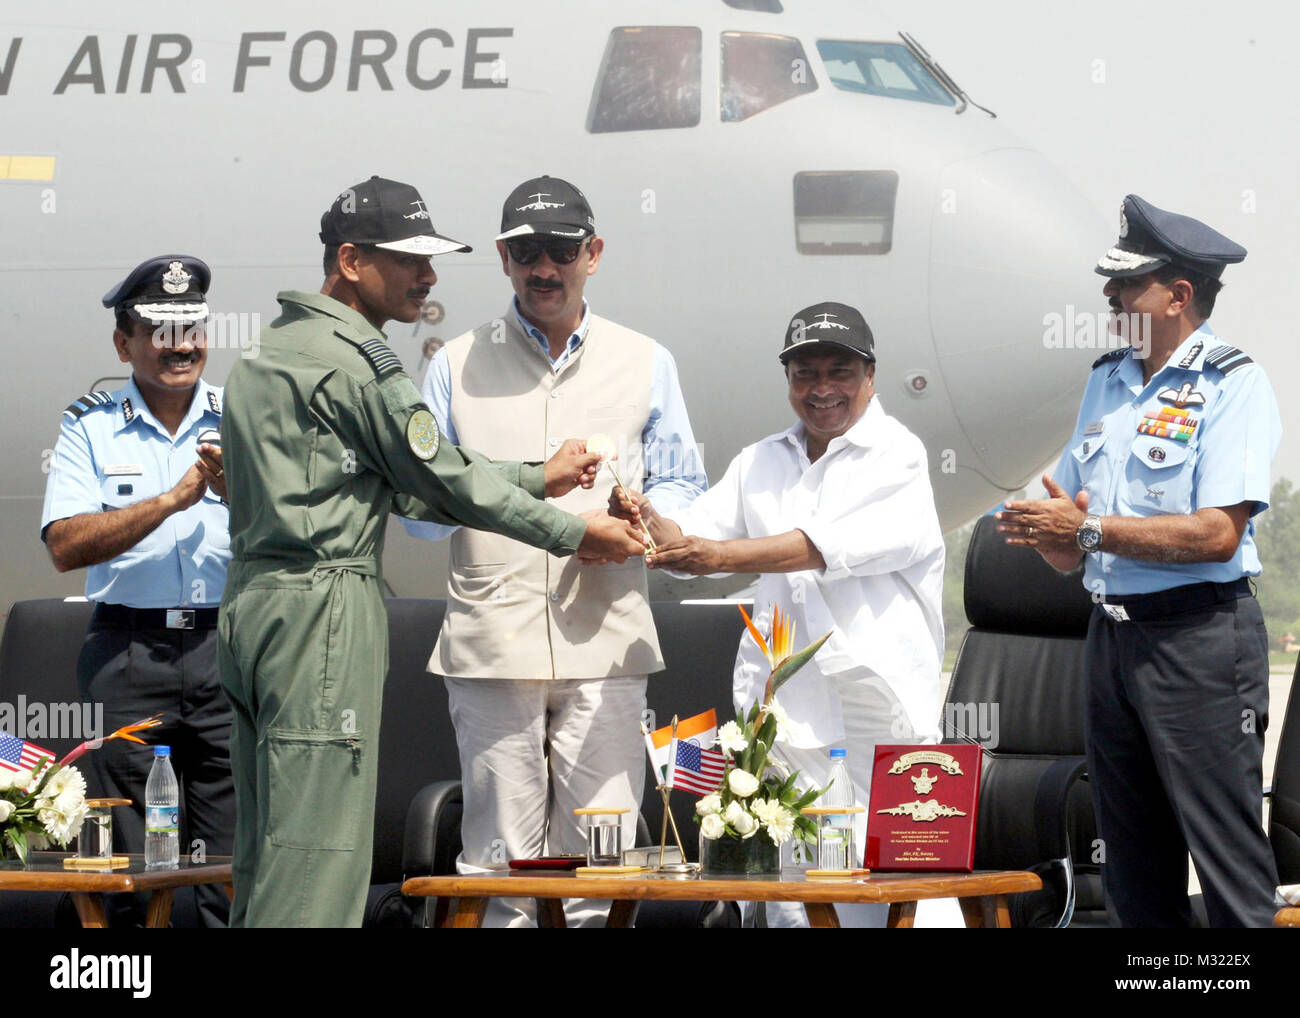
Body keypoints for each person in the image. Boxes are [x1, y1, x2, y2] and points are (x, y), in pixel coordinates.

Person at [217, 176, 646, 928]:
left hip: (252, 607)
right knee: (318, 856)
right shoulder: (358, 365)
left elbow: (405, 489)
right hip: (323, 612)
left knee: (265, 852)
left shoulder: (268, 352)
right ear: (351, 261)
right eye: (409, 260)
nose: (428, 277)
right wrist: (575, 531)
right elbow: (441, 480)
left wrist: (535, 477)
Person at [401, 174, 706, 927]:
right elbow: (419, 514)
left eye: (561, 251)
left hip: (607, 641)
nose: (545, 268)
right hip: (492, 642)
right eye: (527, 251)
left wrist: (643, 518)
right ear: (503, 257)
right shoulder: (453, 364)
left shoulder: (646, 360)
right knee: (496, 868)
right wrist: (518, 491)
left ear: (593, 253)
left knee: (603, 866)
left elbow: (686, 488)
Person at [616, 301, 952, 928]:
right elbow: (692, 541)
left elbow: (821, 548)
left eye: (839, 371)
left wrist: (718, 555)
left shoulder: (897, 454)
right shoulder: (761, 460)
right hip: (787, 710)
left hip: (879, 708)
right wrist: (648, 519)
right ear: (789, 380)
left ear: (870, 376)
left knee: (902, 881)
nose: (822, 389)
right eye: (805, 373)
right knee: (792, 891)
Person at [996, 194, 1282, 927]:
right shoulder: (1106, 379)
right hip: (1111, 640)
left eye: (1127, 284)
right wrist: (1053, 537)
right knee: (1133, 870)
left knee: (1226, 865)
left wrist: (1089, 532)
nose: (1111, 296)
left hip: (1199, 641)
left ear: (1178, 296)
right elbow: (1077, 533)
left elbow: (1217, 535)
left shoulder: (1232, 383)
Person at [40, 255, 233, 927]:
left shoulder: (244, 418)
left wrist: (246, 498)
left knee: (231, 862)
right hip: (129, 653)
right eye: (159, 331)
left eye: (191, 328)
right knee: (130, 864)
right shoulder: (88, 425)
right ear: (124, 344)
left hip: (227, 648)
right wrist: (173, 500)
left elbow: (297, 535)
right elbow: (65, 545)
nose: (179, 346)